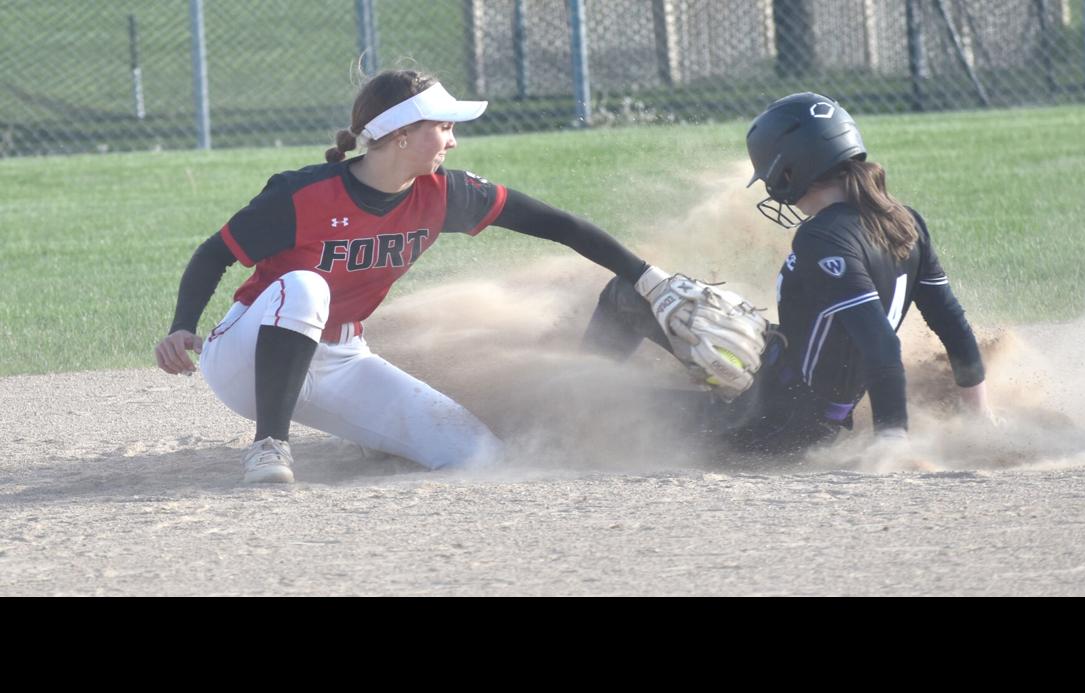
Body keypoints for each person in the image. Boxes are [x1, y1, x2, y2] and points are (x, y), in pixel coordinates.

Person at [154, 68, 753, 484]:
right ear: (403, 133)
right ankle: (269, 445)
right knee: (310, 285)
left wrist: (646, 278)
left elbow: (559, 224)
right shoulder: (302, 194)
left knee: (476, 454)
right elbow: (215, 253)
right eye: (443, 127)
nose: (453, 139)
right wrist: (183, 326)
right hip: (246, 354)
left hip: (339, 358)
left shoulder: (444, 196)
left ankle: (378, 436)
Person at [583, 92, 991, 462]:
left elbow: (880, 343)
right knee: (651, 306)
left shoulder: (823, 237)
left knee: (614, 388)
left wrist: (891, 438)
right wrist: (980, 417)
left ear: (790, 172)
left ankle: (572, 397)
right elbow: (951, 322)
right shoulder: (905, 221)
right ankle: (583, 388)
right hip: (801, 407)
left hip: (770, 423)